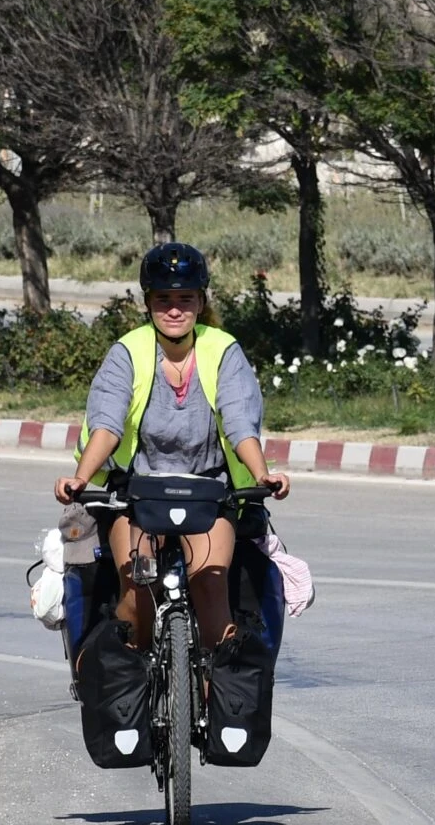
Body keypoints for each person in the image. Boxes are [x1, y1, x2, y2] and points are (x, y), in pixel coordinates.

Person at [54, 242, 290, 652]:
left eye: (186, 298)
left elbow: (239, 423)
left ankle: (214, 705)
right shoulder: (127, 352)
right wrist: (80, 478)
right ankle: (134, 678)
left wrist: (262, 473)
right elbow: (107, 425)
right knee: (137, 585)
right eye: (164, 299)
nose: (175, 309)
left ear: (201, 301)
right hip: (135, 494)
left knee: (211, 585)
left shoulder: (222, 350)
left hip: (209, 494)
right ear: (148, 303)